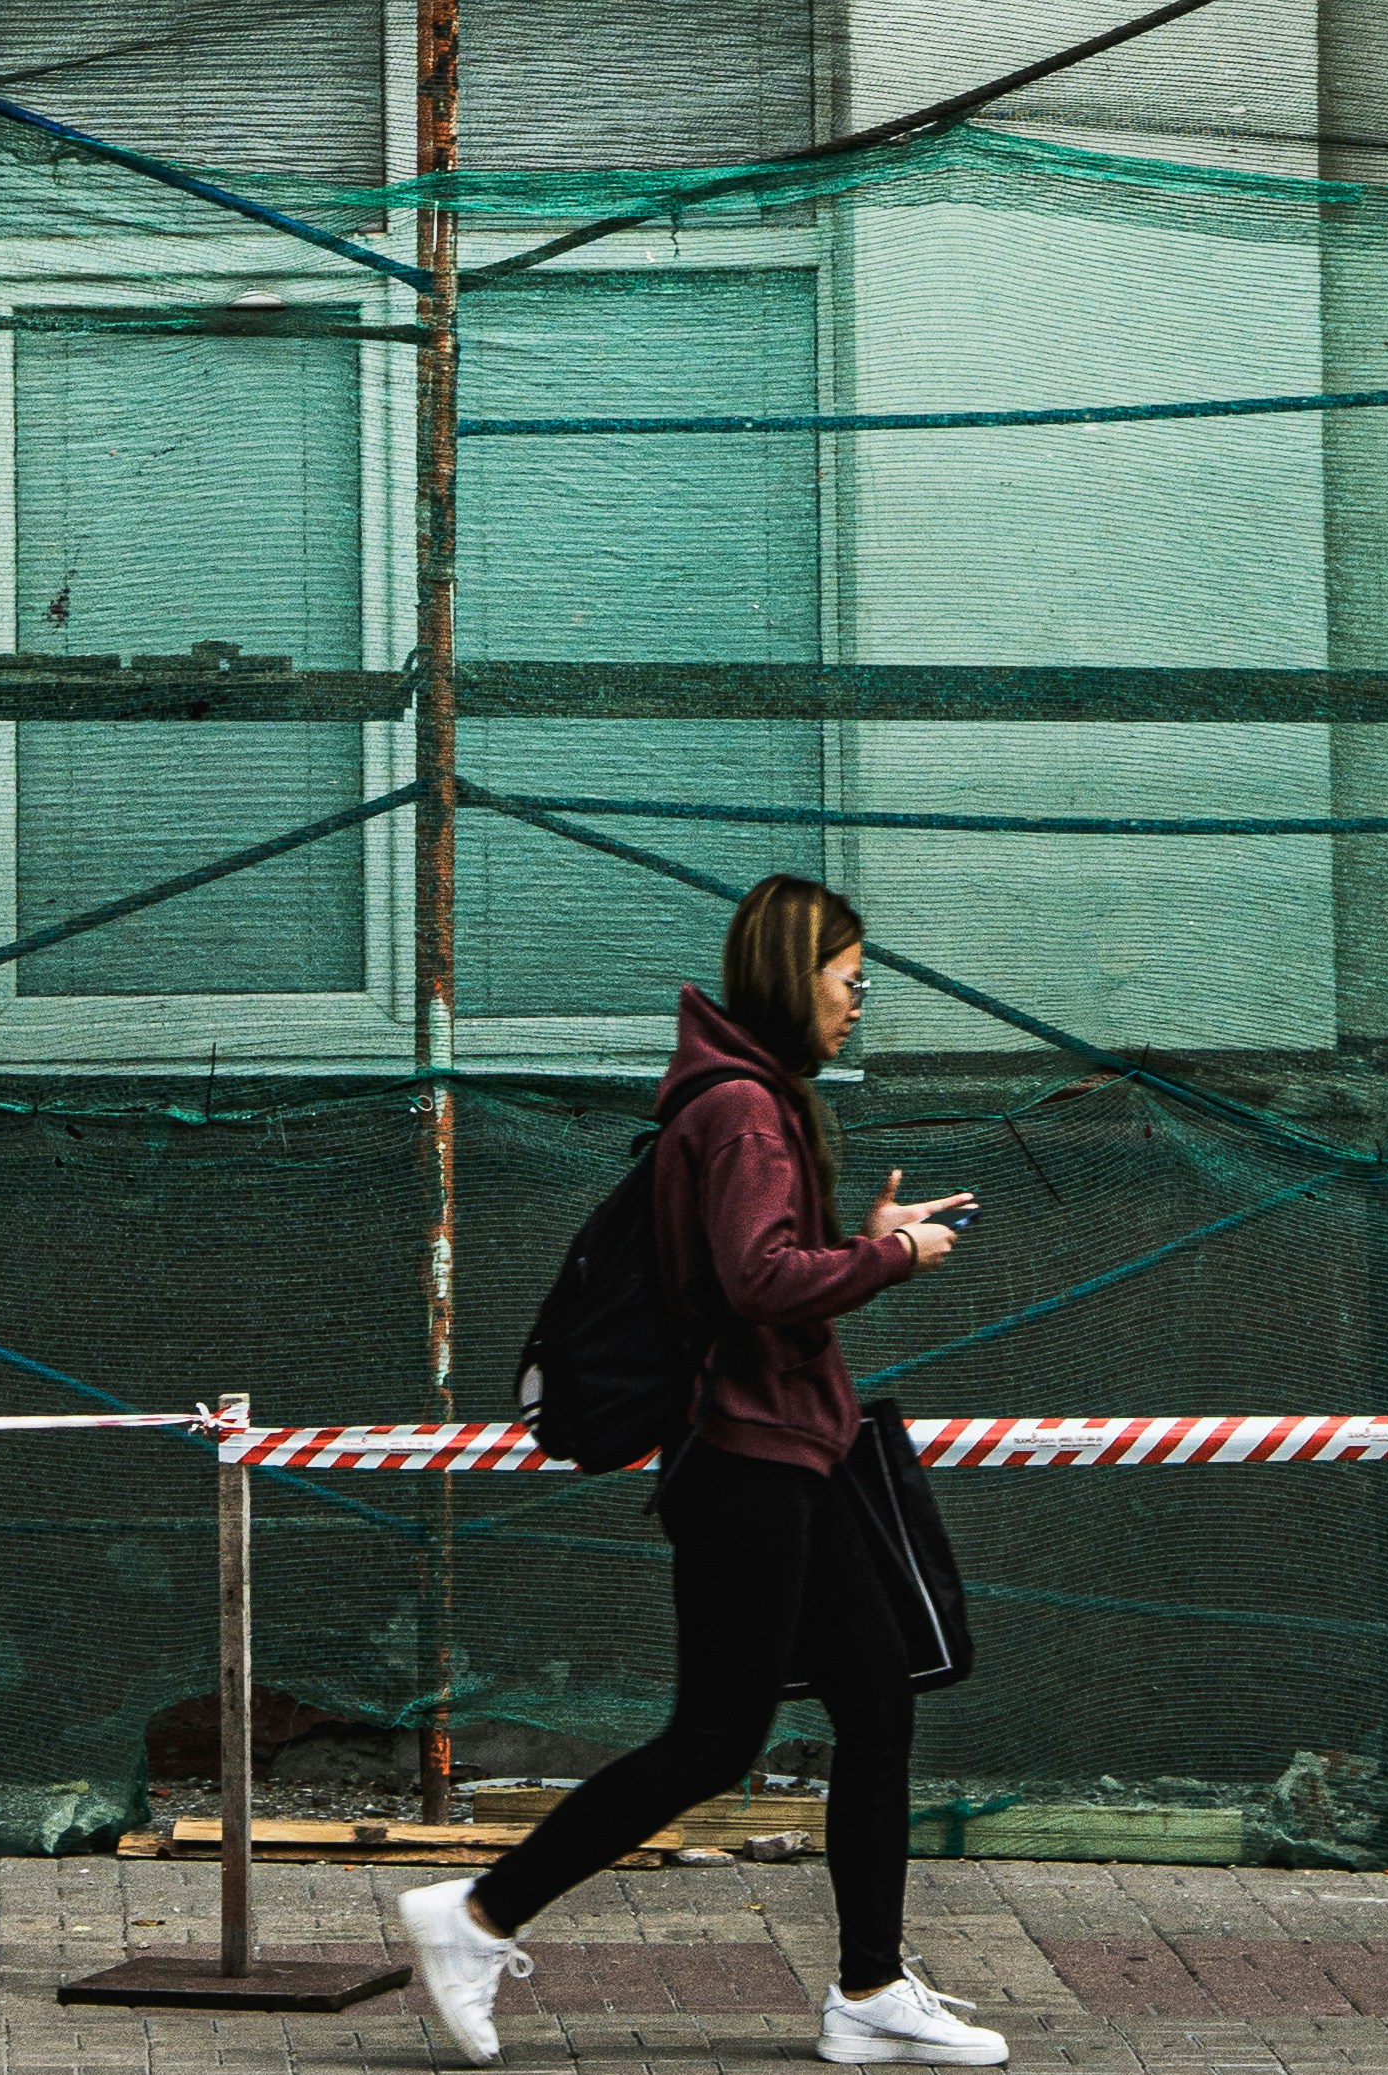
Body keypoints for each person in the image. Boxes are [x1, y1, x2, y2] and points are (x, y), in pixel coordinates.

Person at [399, 877, 1003, 2072]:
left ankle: (872, 1987)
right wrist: (889, 1255)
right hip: (750, 1460)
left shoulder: (747, 1102)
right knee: (717, 1735)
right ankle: (474, 1916)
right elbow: (758, 1282)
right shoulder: (741, 1109)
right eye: (849, 980)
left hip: (795, 1450)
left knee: (877, 1701)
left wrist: (863, 1237)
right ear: (796, 975)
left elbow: (766, 1270)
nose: (859, 1005)